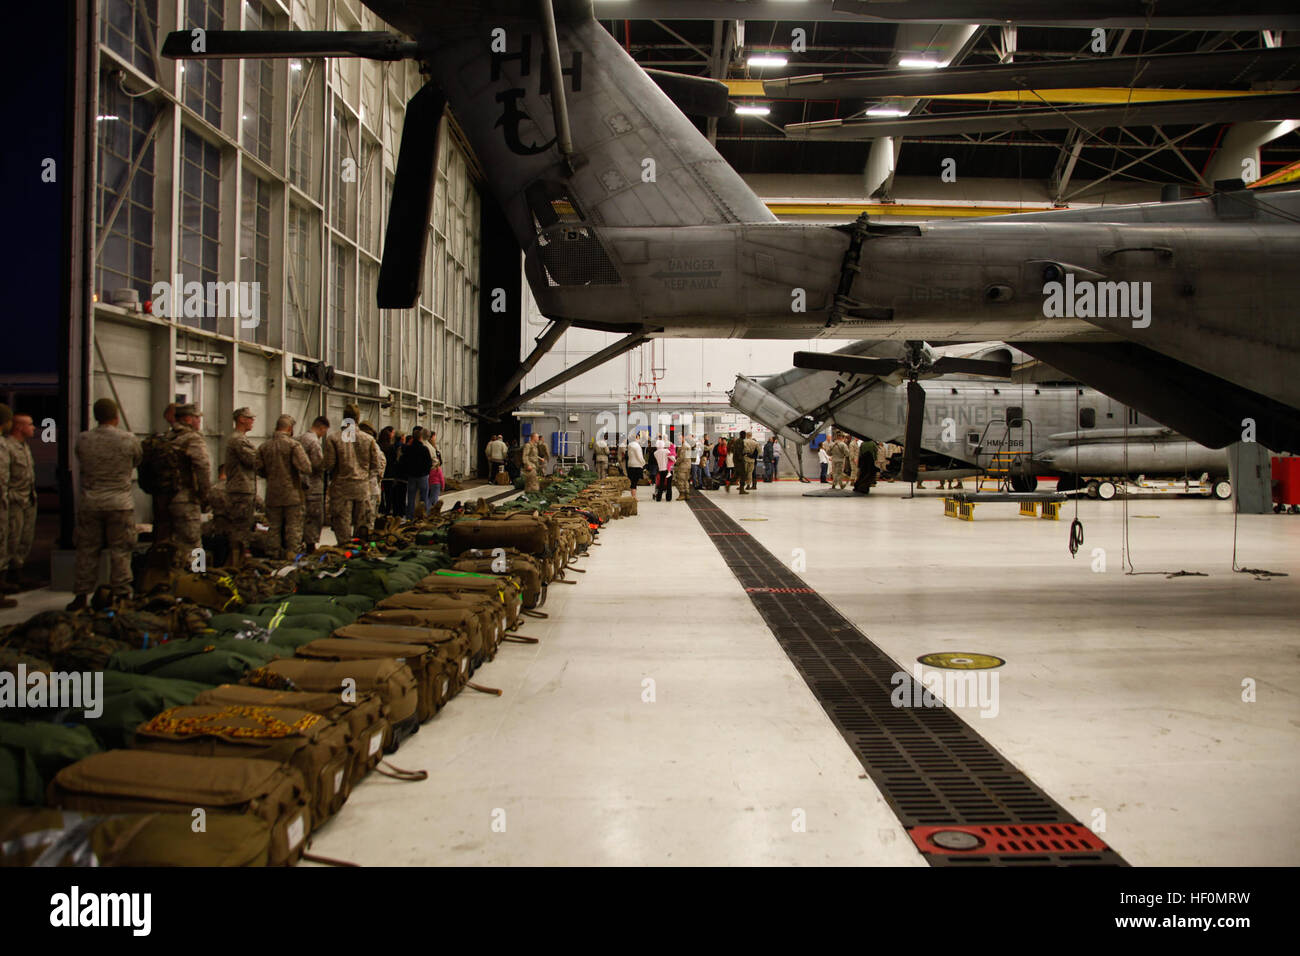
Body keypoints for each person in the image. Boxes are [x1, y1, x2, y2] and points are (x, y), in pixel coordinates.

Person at [67, 399, 144, 611]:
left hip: (90, 503)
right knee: (121, 551)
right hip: (119, 502)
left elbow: (81, 459)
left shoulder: (84, 439)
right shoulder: (128, 439)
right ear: (116, 416)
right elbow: (137, 461)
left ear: (95, 416)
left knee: (86, 550)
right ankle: (121, 595)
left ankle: (81, 596)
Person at [322, 403, 380, 542]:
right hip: (362, 489)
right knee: (362, 529)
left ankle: (344, 554)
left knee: (343, 528)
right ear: (358, 418)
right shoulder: (368, 439)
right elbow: (375, 465)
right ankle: (358, 555)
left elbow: (328, 465)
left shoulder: (334, 439)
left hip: (341, 489)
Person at [256, 415, 312, 559]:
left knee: (273, 528)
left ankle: (273, 556)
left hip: (272, 494)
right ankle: (292, 556)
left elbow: (258, 469)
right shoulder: (293, 445)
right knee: (293, 528)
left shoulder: (264, 446)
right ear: (289, 428)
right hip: (292, 494)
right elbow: (306, 467)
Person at [166, 403, 212, 568]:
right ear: (187, 419)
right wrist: (204, 496)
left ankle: (175, 583)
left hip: (166, 500)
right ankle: (197, 582)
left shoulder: (167, 438)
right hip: (186, 500)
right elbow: (203, 468)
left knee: (173, 547)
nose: (199, 421)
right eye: (197, 418)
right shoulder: (192, 438)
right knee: (194, 546)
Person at [221, 407, 258, 565]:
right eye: (249, 418)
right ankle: (237, 563)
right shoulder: (238, 440)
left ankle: (238, 561)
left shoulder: (238, 438)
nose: (252, 421)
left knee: (242, 528)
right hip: (241, 490)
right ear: (241, 419)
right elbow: (254, 460)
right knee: (240, 529)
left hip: (241, 488)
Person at [296, 416, 328, 552]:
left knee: (301, 515)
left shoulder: (299, 439)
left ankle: (299, 542)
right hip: (313, 485)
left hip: (299, 485)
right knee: (314, 516)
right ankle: (310, 545)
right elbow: (318, 464)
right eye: (324, 431)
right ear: (322, 428)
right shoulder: (314, 442)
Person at [401, 426, 432, 520]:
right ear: (420, 437)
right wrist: (426, 472)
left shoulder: (407, 449)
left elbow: (403, 461)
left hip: (411, 476)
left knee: (410, 498)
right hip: (422, 476)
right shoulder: (424, 449)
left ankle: (410, 517)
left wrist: (407, 472)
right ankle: (423, 516)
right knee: (424, 498)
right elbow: (428, 463)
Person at [425, 430, 442, 511]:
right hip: (433, 479)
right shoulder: (431, 448)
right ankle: (431, 511)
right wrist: (443, 485)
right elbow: (441, 477)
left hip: (428, 477)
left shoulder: (431, 447)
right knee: (433, 497)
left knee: (428, 496)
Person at [625, 434, 644, 499]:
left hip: (630, 465)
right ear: (636, 438)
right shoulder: (637, 446)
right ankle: (634, 497)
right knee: (634, 482)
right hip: (637, 465)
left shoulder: (629, 446)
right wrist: (643, 463)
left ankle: (633, 496)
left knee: (632, 481)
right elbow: (639, 457)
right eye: (638, 437)